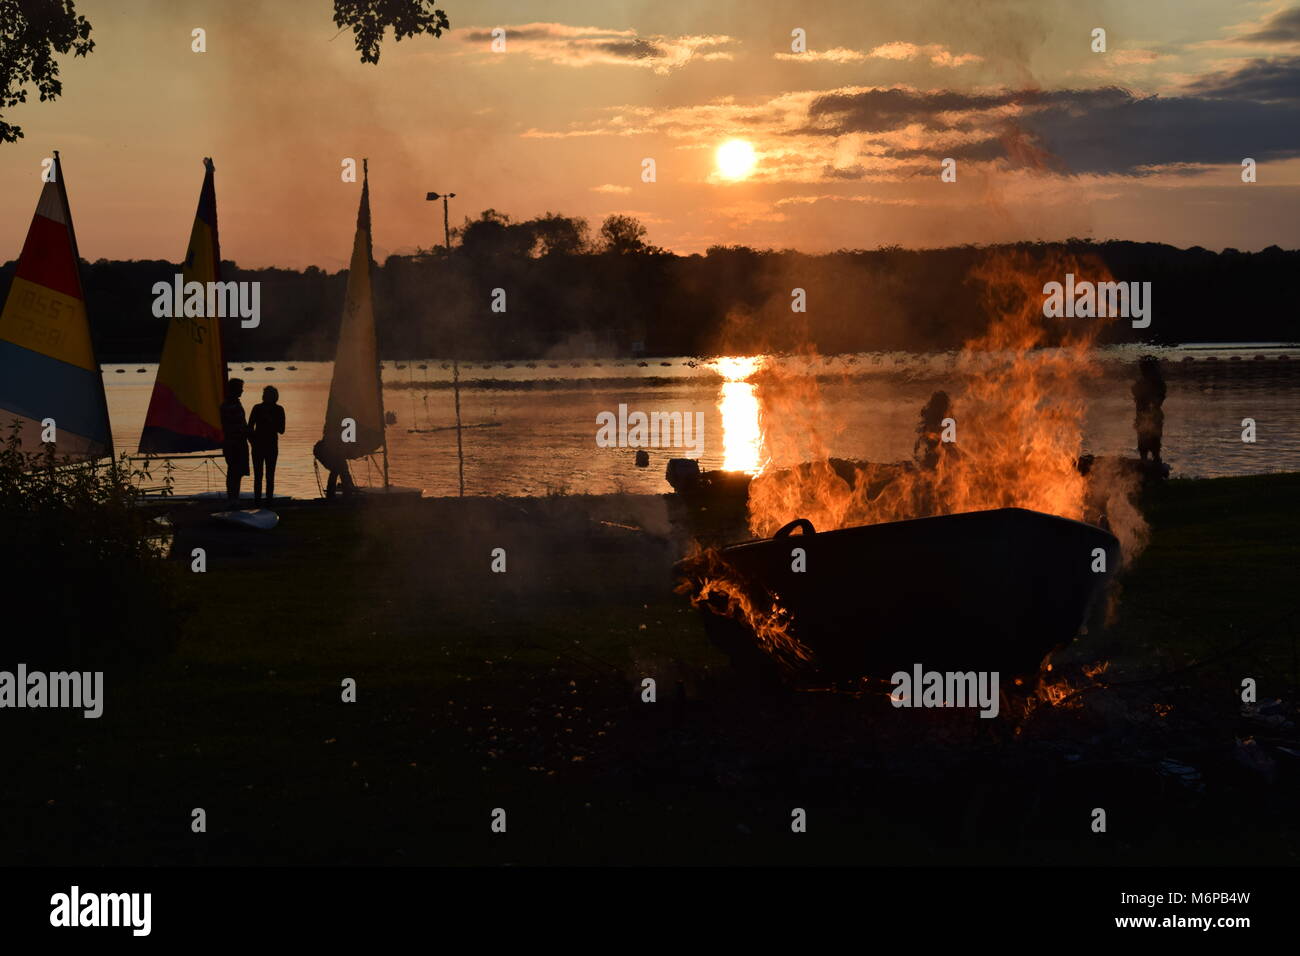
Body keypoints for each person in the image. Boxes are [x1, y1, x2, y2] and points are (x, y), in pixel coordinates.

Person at [248, 385, 285, 505]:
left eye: (269, 395)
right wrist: (252, 442)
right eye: (266, 394)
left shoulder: (279, 409)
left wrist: (270, 420)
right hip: (258, 446)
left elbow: (281, 429)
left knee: (270, 475)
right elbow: (249, 427)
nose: (266, 397)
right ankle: (257, 501)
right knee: (258, 475)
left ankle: (269, 500)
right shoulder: (257, 408)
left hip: (272, 446)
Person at [219, 378, 250, 504]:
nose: (242, 390)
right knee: (233, 471)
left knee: (238, 472)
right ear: (234, 389)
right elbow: (231, 425)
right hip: (233, 443)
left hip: (240, 442)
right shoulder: (227, 405)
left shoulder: (236, 403)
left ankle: (234, 496)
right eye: (240, 388)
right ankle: (232, 497)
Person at [1132, 356, 1166, 464]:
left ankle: (1149, 464)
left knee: (1150, 445)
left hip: (1149, 417)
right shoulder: (1158, 383)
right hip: (1145, 417)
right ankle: (1150, 464)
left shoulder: (1141, 384)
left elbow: (1158, 400)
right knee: (1148, 445)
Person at [313, 435, 356, 499]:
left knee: (340, 470)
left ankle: (348, 488)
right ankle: (345, 490)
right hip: (323, 452)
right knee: (338, 470)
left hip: (328, 452)